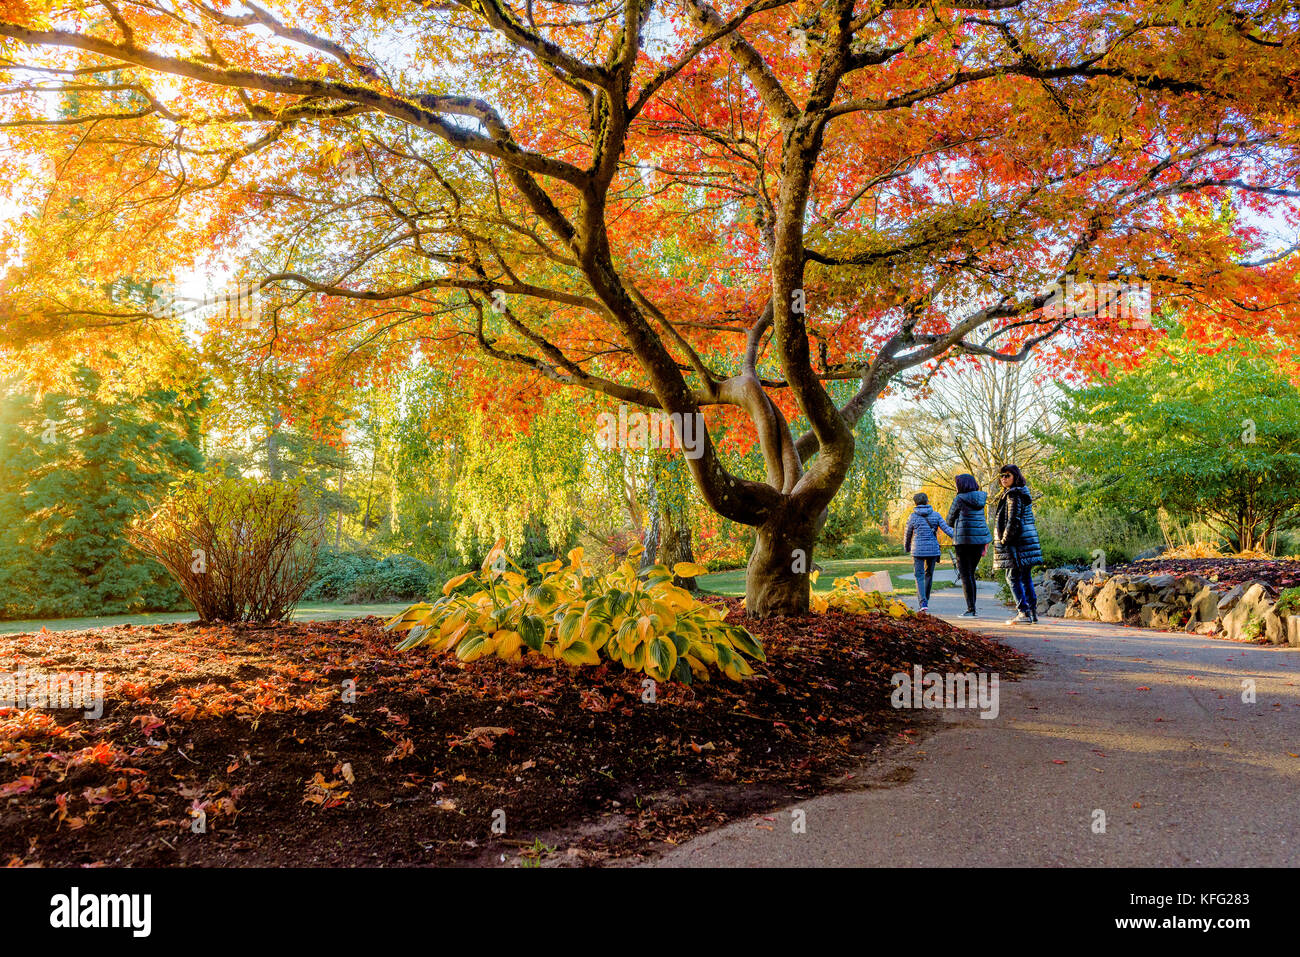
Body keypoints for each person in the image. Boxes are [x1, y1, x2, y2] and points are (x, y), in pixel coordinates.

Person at [992, 464, 1043, 624]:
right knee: (1025, 576)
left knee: (1012, 576)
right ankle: (1032, 613)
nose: (1004, 478)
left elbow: (1013, 520)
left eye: (1007, 475)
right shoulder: (1020, 493)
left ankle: (1023, 612)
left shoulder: (1013, 495)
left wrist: (1004, 540)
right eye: (1002, 476)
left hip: (1017, 542)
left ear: (1015, 476)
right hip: (1025, 541)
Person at [946, 473, 992, 617]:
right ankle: (972, 608)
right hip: (978, 541)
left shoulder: (959, 498)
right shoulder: (981, 498)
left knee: (965, 575)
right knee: (970, 573)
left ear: (962, 485)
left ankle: (971, 609)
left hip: (964, 541)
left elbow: (949, 520)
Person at [903, 492, 954, 614]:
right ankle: (925, 601)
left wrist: (907, 547)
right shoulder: (936, 515)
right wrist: (960, 536)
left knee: (919, 576)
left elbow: (907, 534)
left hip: (918, 551)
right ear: (927, 501)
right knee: (929, 575)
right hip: (932, 550)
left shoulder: (912, 517)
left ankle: (923, 602)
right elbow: (947, 529)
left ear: (915, 503)